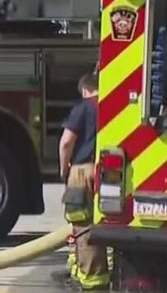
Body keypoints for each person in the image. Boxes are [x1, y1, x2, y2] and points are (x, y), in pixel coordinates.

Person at [58, 72, 108, 291]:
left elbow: (66, 142)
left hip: (81, 171)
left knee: (82, 225)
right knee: (106, 223)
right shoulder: (112, 105)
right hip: (108, 171)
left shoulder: (83, 107)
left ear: (86, 90)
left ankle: (92, 281)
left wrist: (64, 169)